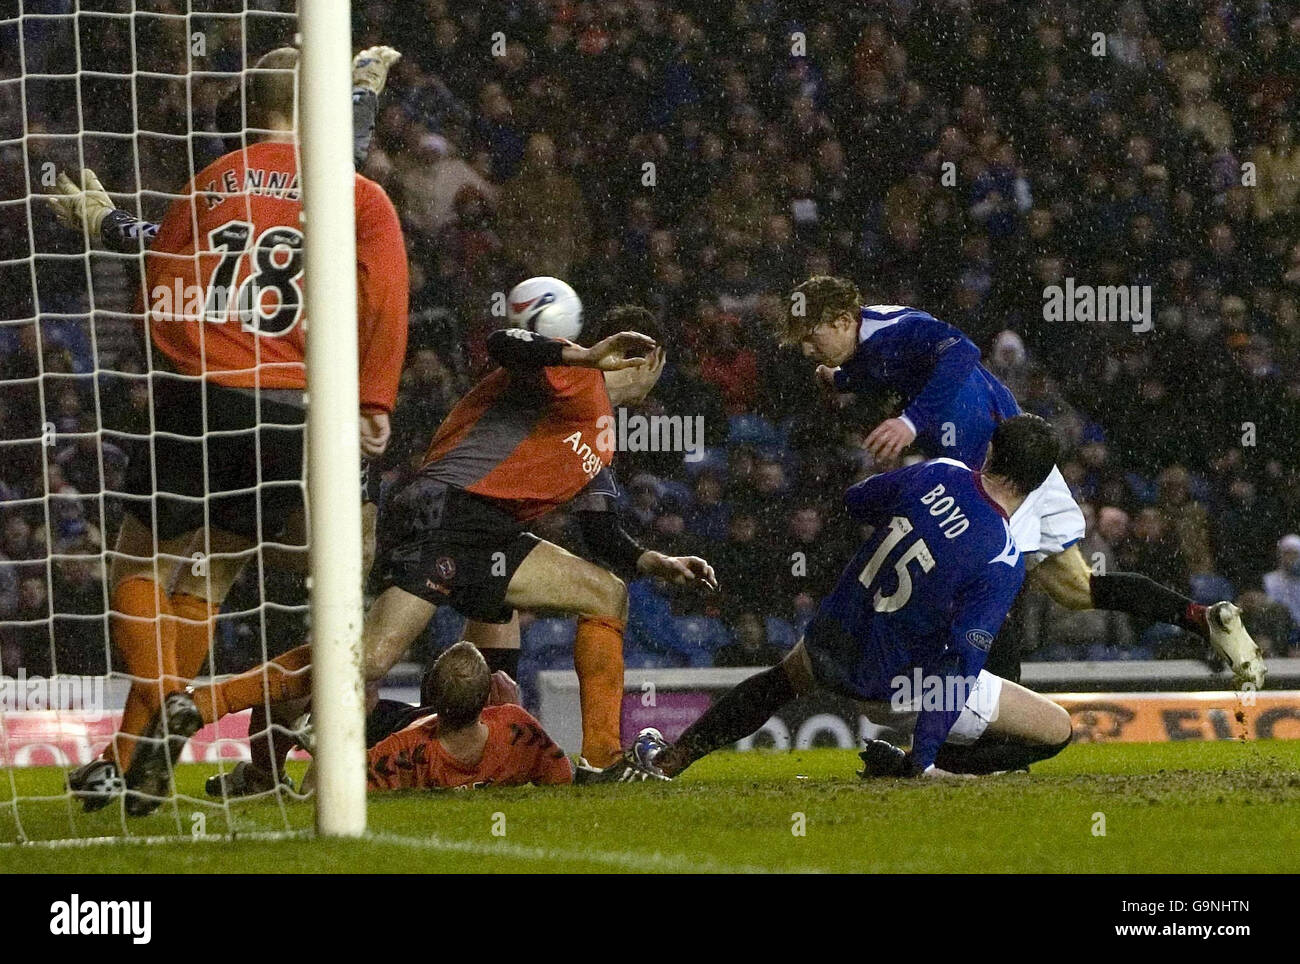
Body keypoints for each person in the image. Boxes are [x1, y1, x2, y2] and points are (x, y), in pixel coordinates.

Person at [152, 305, 716, 801]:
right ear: (648, 358)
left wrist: (656, 562)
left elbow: (603, 535)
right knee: (368, 661)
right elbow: (504, 342)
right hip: (443, 513)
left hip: (492, 535)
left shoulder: (602, 435)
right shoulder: (567, 377)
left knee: (606, 591)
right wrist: (587, 355)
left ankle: (601, 760)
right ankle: (202, 708)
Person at [50, 46, 409, 815]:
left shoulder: (210, 182)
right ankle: (131, 753)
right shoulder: (355, 192)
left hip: (204, 394)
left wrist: (116, 233)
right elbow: (385, 295)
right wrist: (373, 398)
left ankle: (173, 705)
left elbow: (164, 272)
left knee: (143, 561)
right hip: (298, 413)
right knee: (216, 574)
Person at [782, 277, 1265, 690]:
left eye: (811, 336)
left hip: (992, 475)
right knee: (1076, 588)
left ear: (843, 319)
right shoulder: (866, 347)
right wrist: (842, 381)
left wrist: (910, 422)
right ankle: (1203, 619)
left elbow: (962, 350)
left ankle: (999, 733)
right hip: (1014, 464)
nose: (807, 350)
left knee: (976, 589)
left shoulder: (894, 328)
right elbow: (889, 369)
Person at [639, 414, 1073, 779]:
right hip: (896, 689)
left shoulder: (939, 472)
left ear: (990, 450)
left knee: (777, 683)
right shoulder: (1003, 556)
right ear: (1036, 485)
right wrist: (920, 758)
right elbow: (960, 663)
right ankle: (924, 769)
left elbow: (856, 502)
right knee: (1058, 730)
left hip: (832, 643)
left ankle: (674, 758)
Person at [361, 642, 661, 791]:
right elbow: (564, 780)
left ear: (431, 696)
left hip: (404, 722)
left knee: (366, 700)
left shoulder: (401, 750)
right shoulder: (516, 728)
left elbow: (328, 786)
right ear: (486, 701)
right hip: (431, 720)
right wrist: (511, 713)